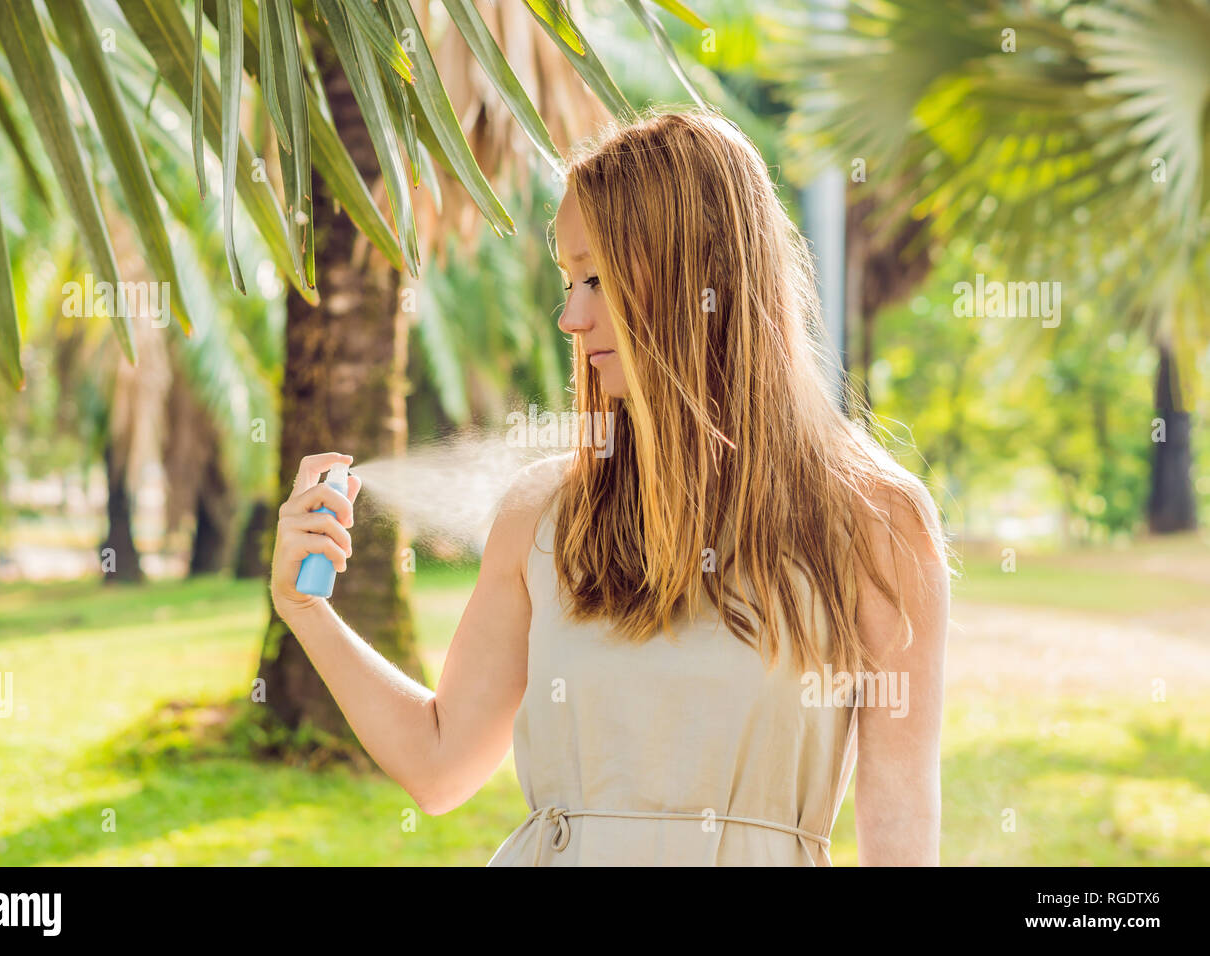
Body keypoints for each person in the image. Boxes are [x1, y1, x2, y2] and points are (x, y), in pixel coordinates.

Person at [268, 106, 952, 866]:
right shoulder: (540, 514)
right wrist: (307, 611)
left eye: (595, 277)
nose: (569, 316)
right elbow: (438, 765)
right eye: (567, 280)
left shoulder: (879, 523)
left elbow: (900, 814)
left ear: (701, 275)